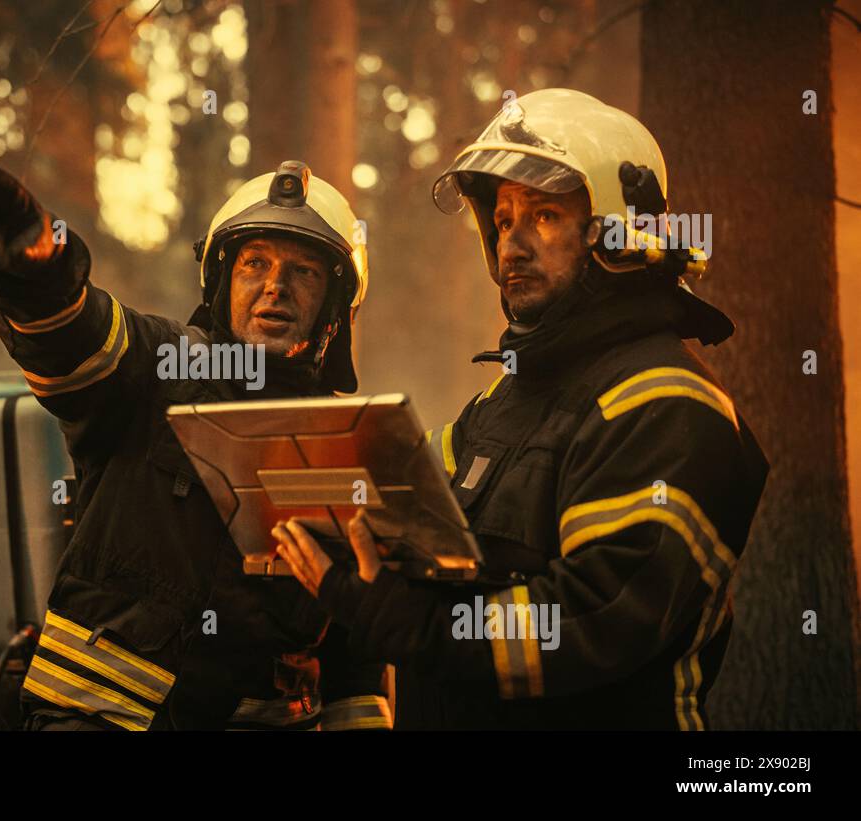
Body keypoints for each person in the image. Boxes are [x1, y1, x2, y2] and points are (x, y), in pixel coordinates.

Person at [272, 89, 768, 730]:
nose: (511, 246)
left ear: (614, 230)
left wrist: (402, 619)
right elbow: (412, 526)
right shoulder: (500, 405)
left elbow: (593, 621)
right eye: (503, 221)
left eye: (543, 216)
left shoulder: (668, 405)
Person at [0, 159, 390, 730]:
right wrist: (36, 274)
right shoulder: (156, 370)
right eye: (254, 263)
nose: (274, 287)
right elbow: (74, 336)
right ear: (220, 281)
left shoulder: (345, 447)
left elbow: (355, 660)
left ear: (336, 311)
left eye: (305, 272)